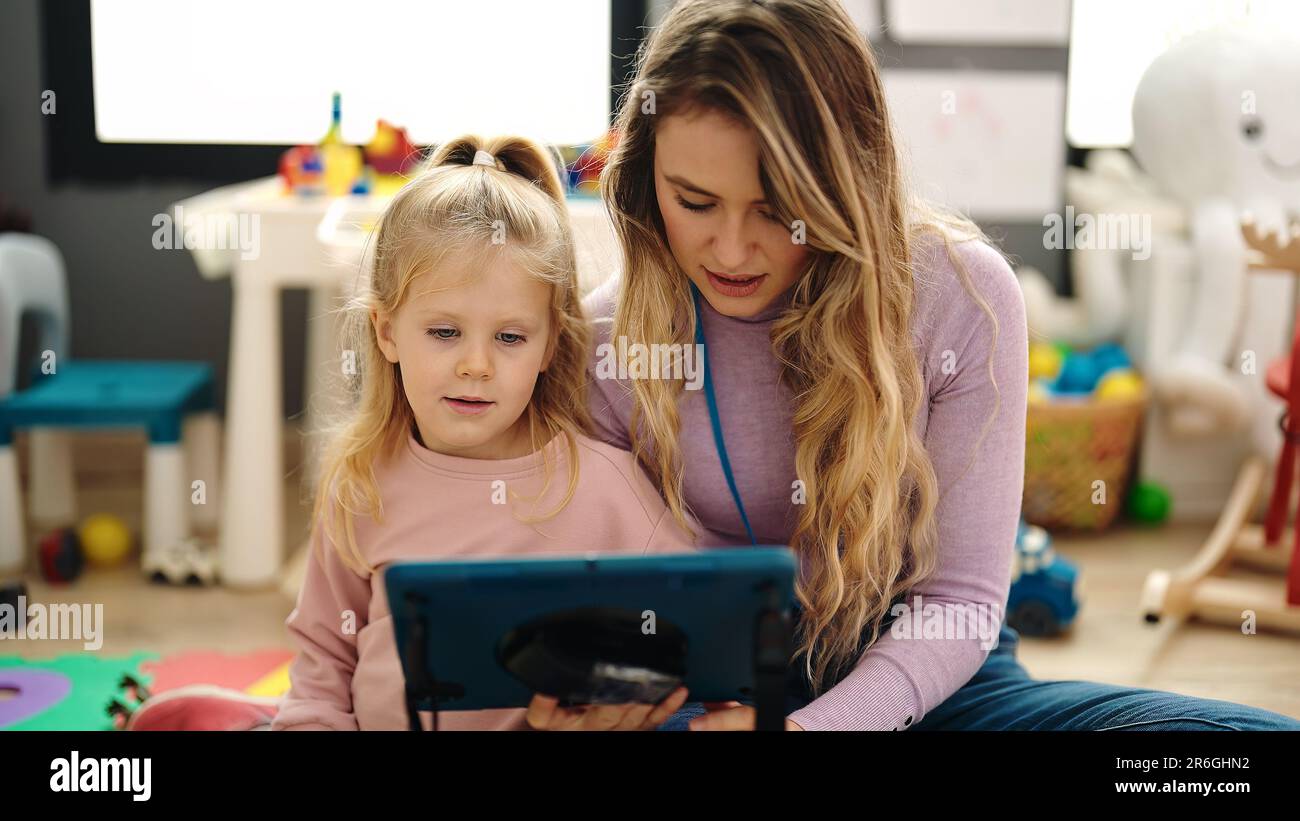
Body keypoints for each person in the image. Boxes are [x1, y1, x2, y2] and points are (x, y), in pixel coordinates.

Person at [556, 0, 1300, 731]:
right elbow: (608, 602)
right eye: (695, 201)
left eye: (778, 207)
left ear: (847, 179)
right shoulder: (604, 340)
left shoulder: (961, 297)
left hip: (929, 680)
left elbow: (962, 604)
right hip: (712, 691)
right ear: (647, 177)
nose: (729, 249)